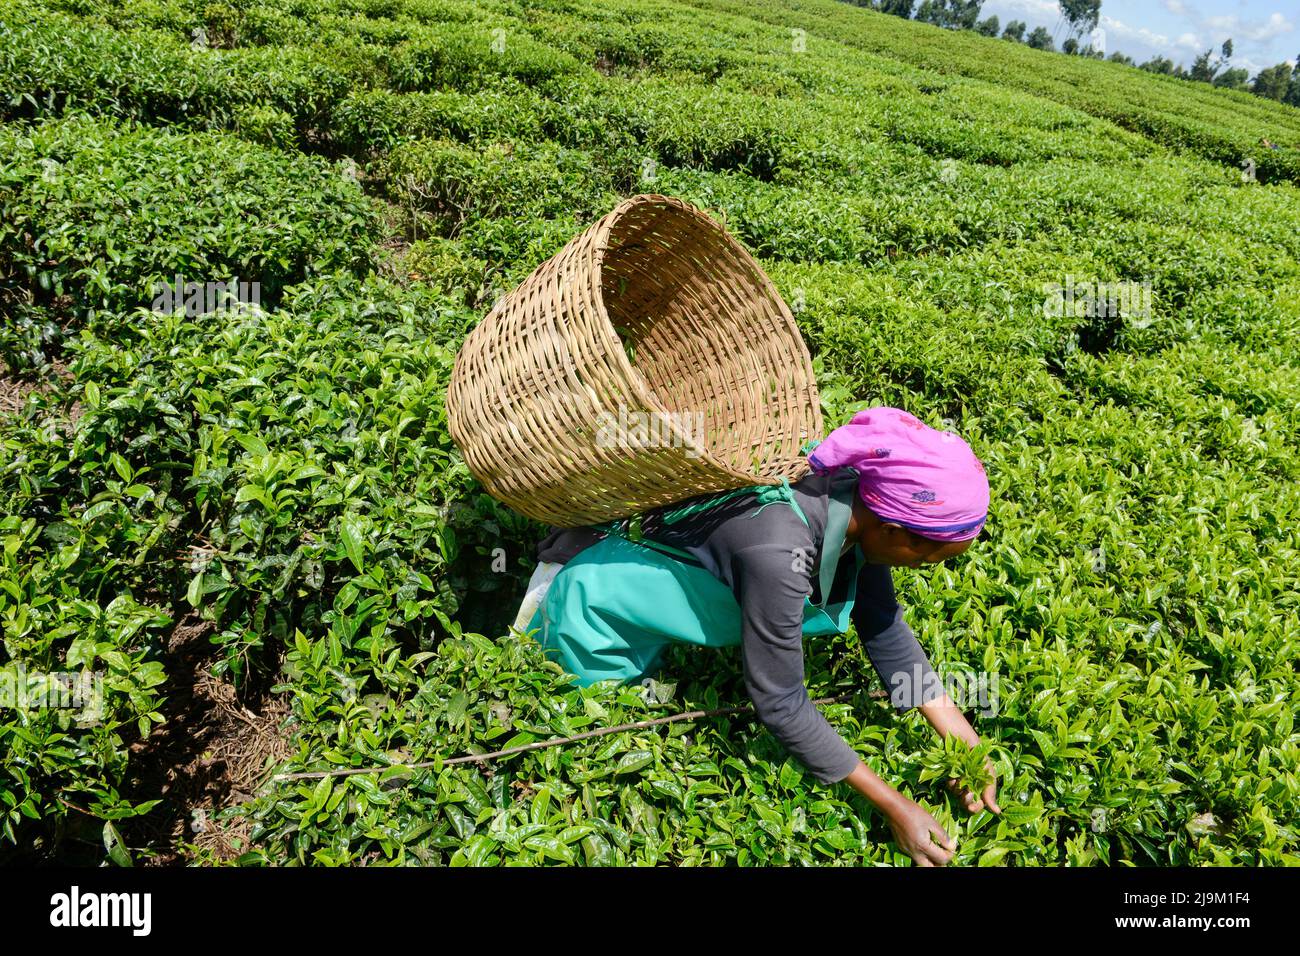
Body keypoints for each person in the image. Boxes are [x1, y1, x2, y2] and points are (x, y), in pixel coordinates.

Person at [511, 406, 998, 866]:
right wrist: (896, 807)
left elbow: (883, 623)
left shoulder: (855, 506)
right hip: (593, 601)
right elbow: (781, 700)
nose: (925, 569)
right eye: (929, 558)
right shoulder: (779, 550)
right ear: (895, 531)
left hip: (658, 597)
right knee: (581, 730)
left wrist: (964, 743)